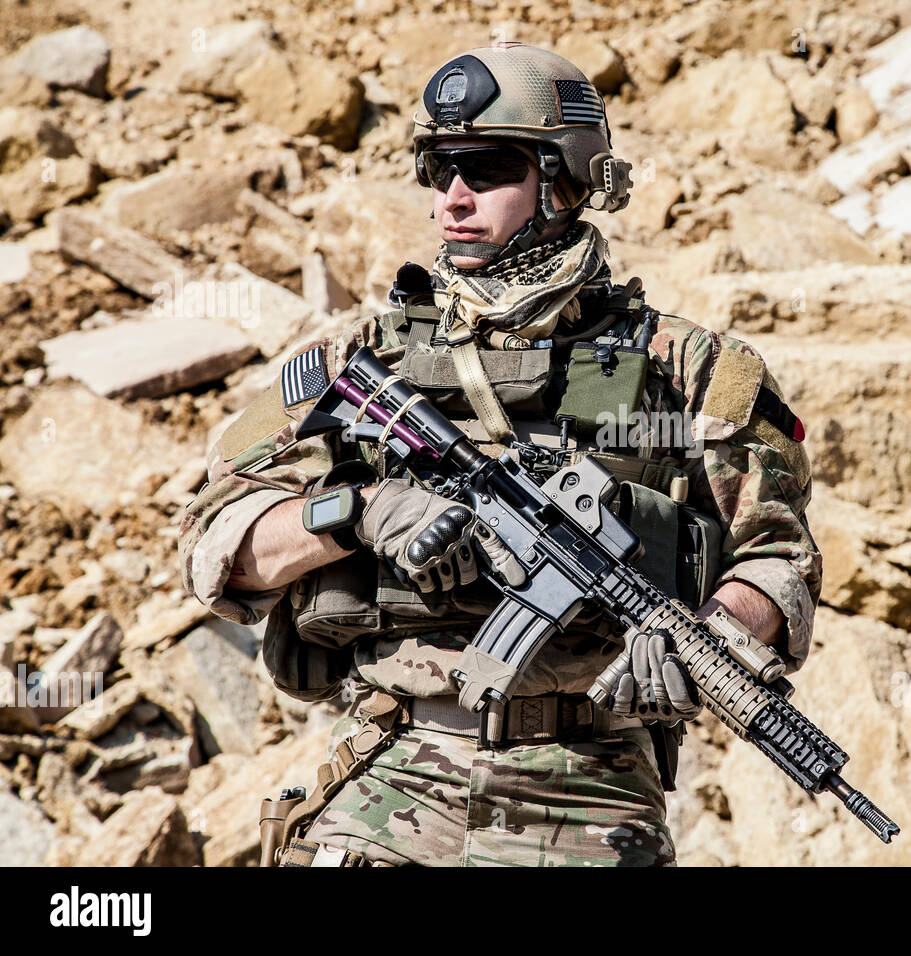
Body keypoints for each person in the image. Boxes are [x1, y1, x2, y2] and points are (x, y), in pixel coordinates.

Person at [179, 43, 821, 867]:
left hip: (594, 792)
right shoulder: (359, 363)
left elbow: (780, 560)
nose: (453, 199)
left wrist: (710, 630)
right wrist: (362, 513)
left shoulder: (688, 370)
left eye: (485, 168)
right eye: (438, 168)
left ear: (565, 179)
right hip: (388, 777)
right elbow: (215, 545)